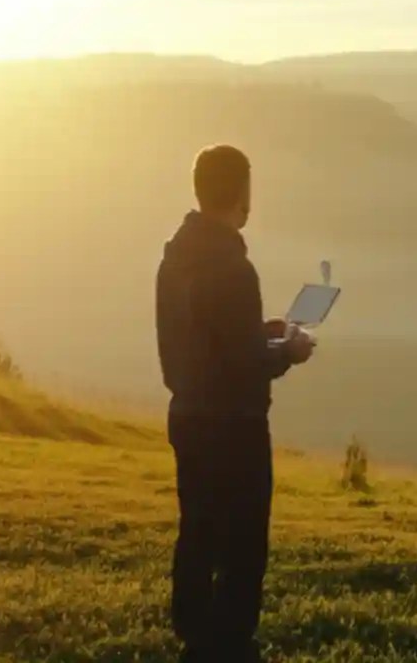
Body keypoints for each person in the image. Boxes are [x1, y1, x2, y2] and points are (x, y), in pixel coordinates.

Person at [155, 144, 315, 662]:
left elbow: (215, 338)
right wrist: (288, 350)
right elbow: (245, 362)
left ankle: (195, 631)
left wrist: (257, 333)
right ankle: (229, 643)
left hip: (187, 414)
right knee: (245, 544)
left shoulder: (176, 256)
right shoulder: (233, 266)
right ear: (242, 194)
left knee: (198, 528)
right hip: (235, 424)